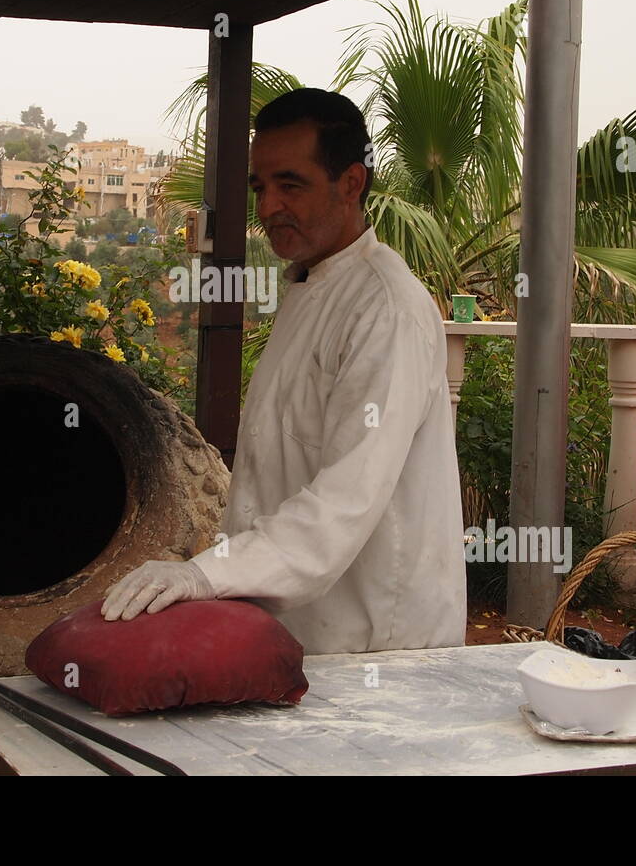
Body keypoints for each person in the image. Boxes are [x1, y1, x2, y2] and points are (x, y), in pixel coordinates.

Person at [101, 88, 466, 654]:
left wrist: (207, 575)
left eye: (290, 185)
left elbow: (347, 496)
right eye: (260, 188)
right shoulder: (310, 284)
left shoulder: (385, 308)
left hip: (375, 649)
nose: (269, 207)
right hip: (297, 633)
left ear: (351, 183)